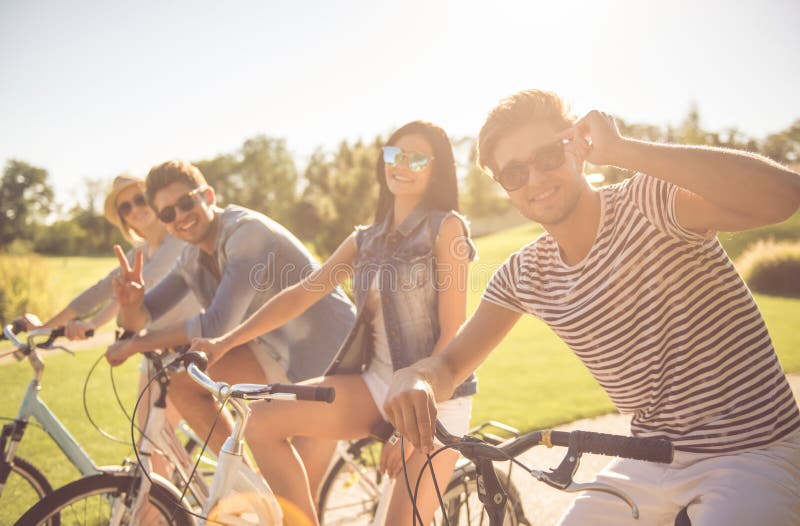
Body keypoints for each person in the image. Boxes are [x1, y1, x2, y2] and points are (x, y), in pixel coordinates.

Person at [383, 90, 800, 525]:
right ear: (504, 187)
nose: (535, 179)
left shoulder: (648, 202)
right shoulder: (525, 274)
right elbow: (448, 367)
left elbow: (784, 196)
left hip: (756, 449)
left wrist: (622, 150)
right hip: (653, 458)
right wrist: (415, 377)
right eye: (514, 172)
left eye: (547, 157)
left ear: (577, 150)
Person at [190, 120, 478, 525]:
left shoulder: (447, 228)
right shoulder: (366, 239)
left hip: (436, 396)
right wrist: (223, 341)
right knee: (261, 424)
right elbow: (302, 294)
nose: (403, 165)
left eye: (418, 158)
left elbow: (454, 332)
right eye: (395, 154)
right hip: (376, 385)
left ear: (436, 168)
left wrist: (412, 428)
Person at [105, 160, 356, 477]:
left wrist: (134, 345)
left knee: (297, 510)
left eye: (186, 202)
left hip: (331, 359)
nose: (180, 216)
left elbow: (216, 325)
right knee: (182, 385)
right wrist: (131, 302)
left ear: (208, 196)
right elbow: (139, 318)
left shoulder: (247, 234)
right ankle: (244, 483)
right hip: (276, 352)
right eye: (168, 213)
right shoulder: (191, 256)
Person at [16, 174, 198, 338]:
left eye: (140, 199)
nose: (134, 209)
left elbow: (140, 285)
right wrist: (43, 328)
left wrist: (92, 324)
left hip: (191, 344)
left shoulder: (178, 238)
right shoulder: (139, 252)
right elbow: (102, 289)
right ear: (123, 218)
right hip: (156, 346)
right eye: (125, 207)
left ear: (153, 200)